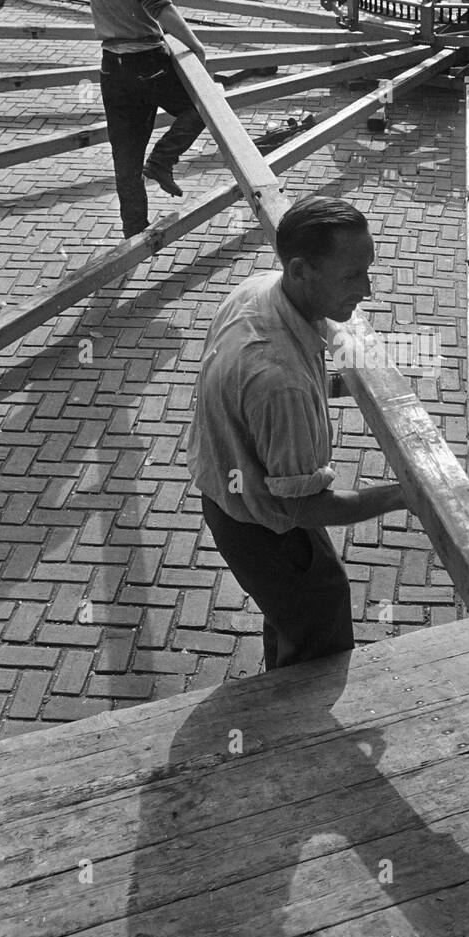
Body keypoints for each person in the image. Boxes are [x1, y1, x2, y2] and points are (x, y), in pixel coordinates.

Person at [187, 196, 413, 671]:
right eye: (351, 276)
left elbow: (257, 392)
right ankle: (297, 730)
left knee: (295, 612)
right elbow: (305, 507)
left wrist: (337, 382)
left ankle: (284, 668)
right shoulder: (280, 382)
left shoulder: (259, 290)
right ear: (300, 270)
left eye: (367, 270)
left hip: (230, 496)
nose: (367, 290)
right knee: (317, 624)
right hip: (261, 525)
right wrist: (407, 494)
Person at [85, 0, 207, 239]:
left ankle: (134, 233)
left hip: (112, 69)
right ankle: (163, 161)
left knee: (125, 160)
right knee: (201, 107)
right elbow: (157, 4)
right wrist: (194, 44)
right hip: (145, 63)